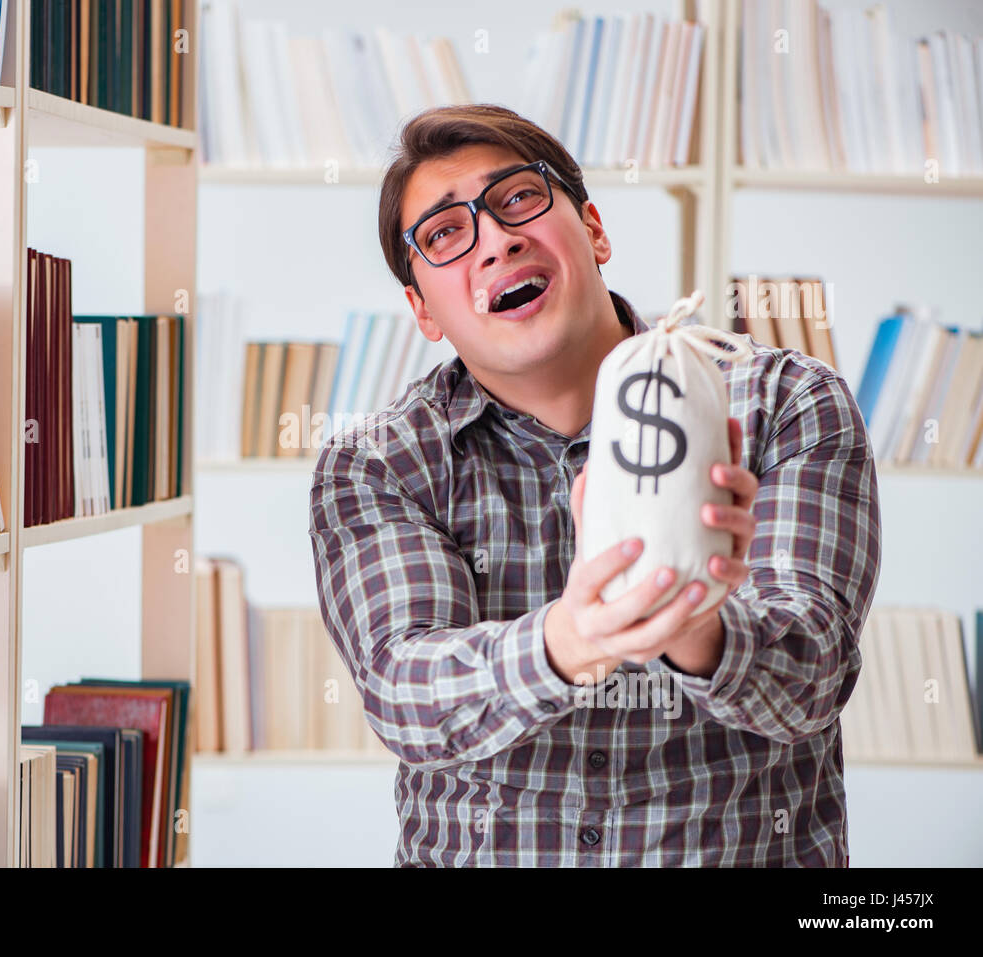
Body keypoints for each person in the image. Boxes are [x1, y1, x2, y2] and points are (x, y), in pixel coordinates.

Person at [308, 104, 881, 866]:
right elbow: (406, 692)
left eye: (516, 199)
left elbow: (812, 676)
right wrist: (572, 639)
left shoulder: (783, 403)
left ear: (595, 231)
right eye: (446, 233)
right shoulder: (378, 461)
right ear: (422, 311)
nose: (496, 239)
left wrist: (689, 622)